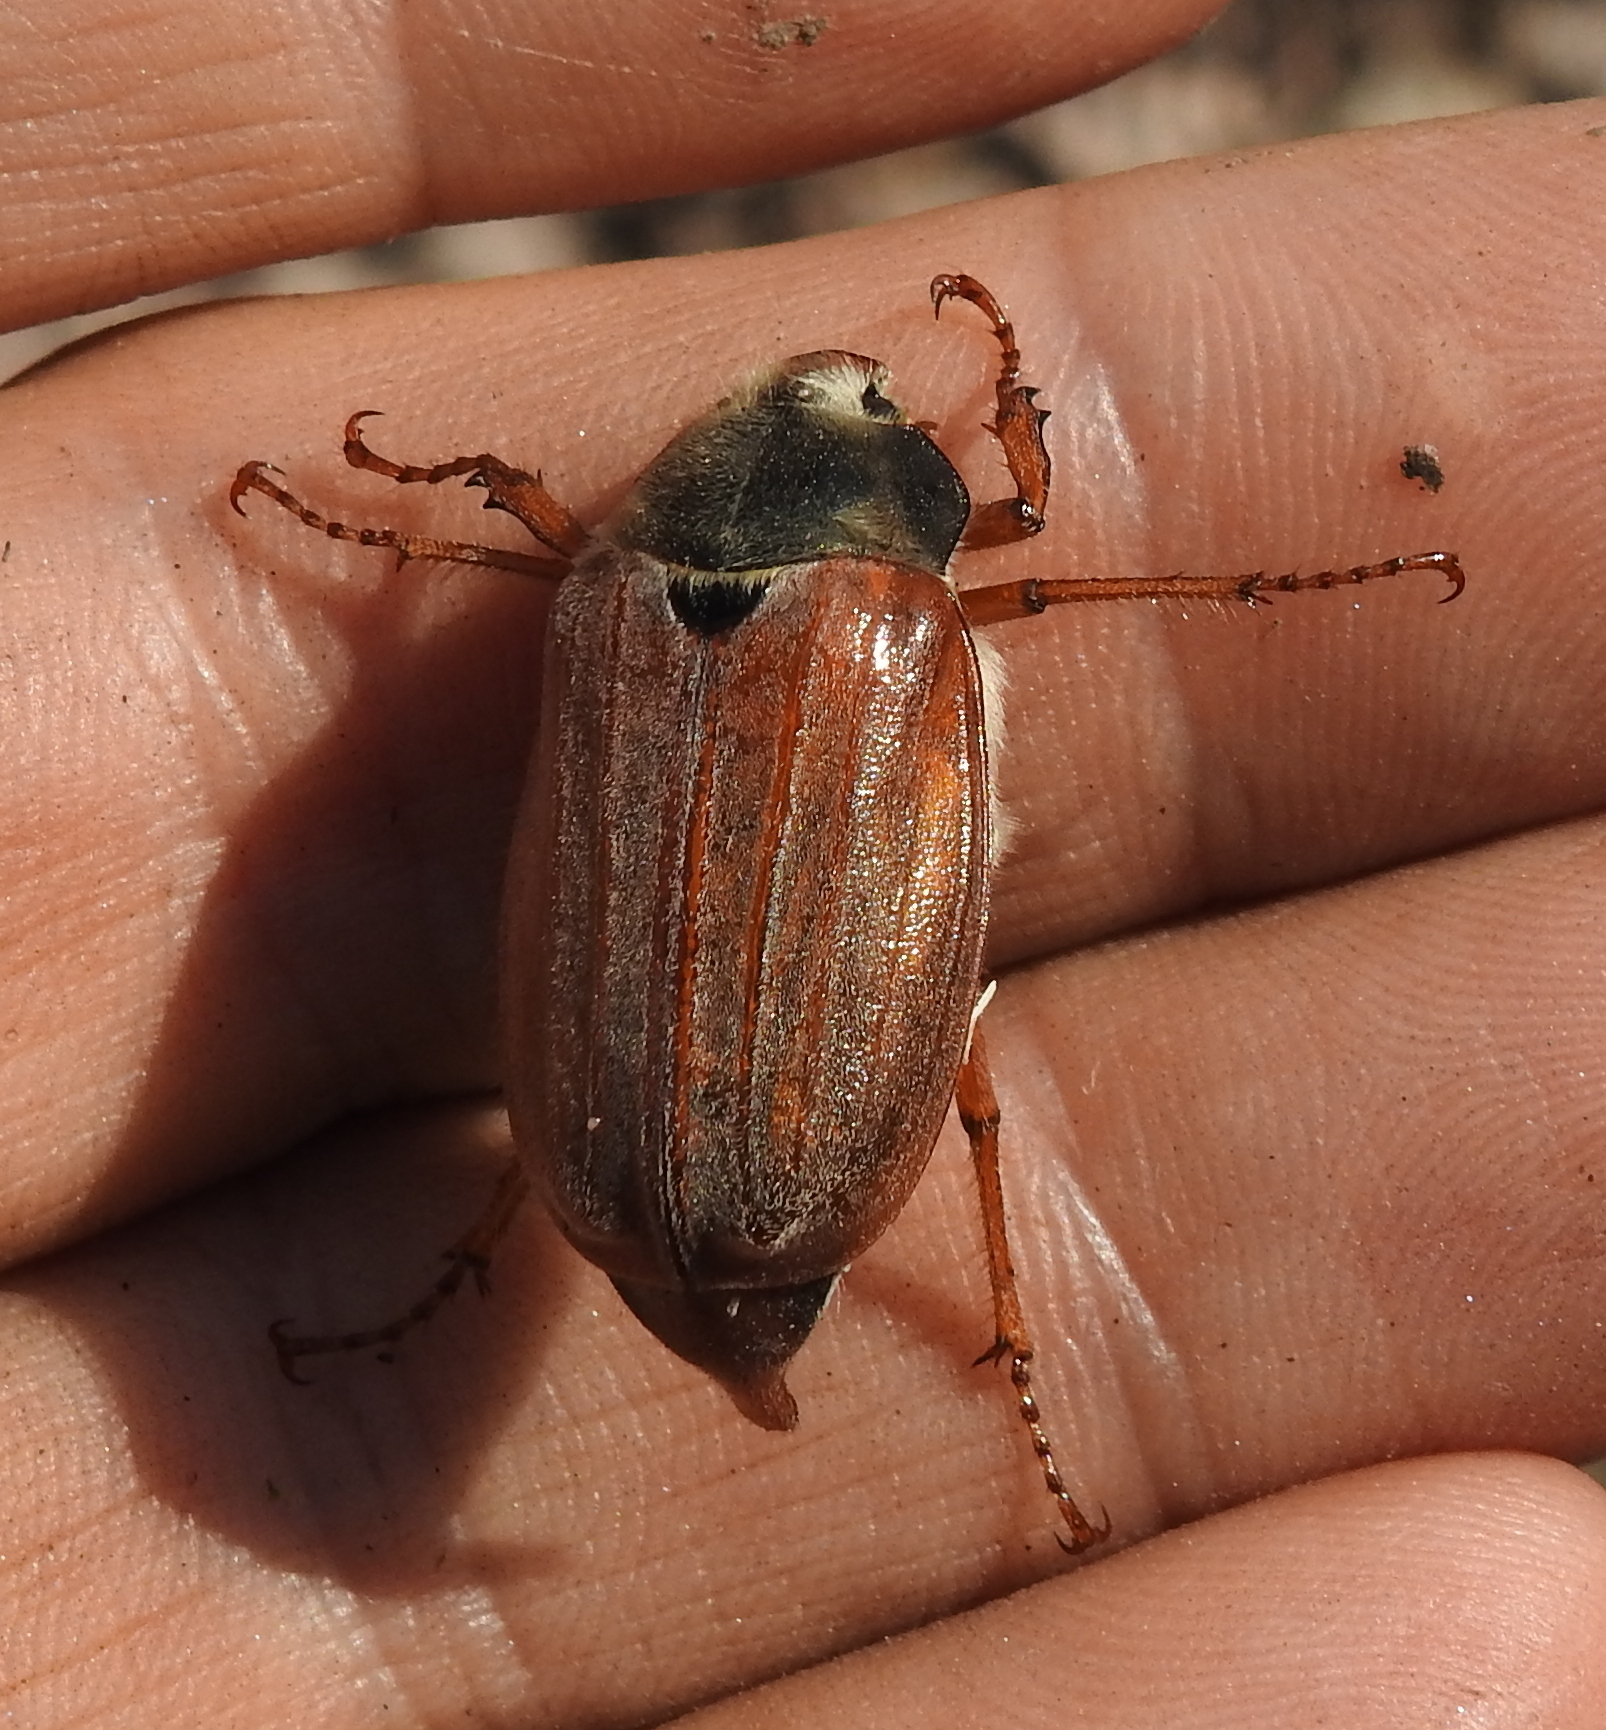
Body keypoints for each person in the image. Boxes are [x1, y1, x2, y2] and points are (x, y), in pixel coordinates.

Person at [2, 3, 1604, 1724]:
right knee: (955, 1063)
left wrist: (419, 512)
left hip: (668, 1149)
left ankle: (524, 1257)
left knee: (598, 1006)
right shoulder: (856, 604)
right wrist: (1065, 441)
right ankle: (999, 1346)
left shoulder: (599, 586)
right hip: (757, 1152)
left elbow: (543, 542)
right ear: (894, 505)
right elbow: (1035, 538)